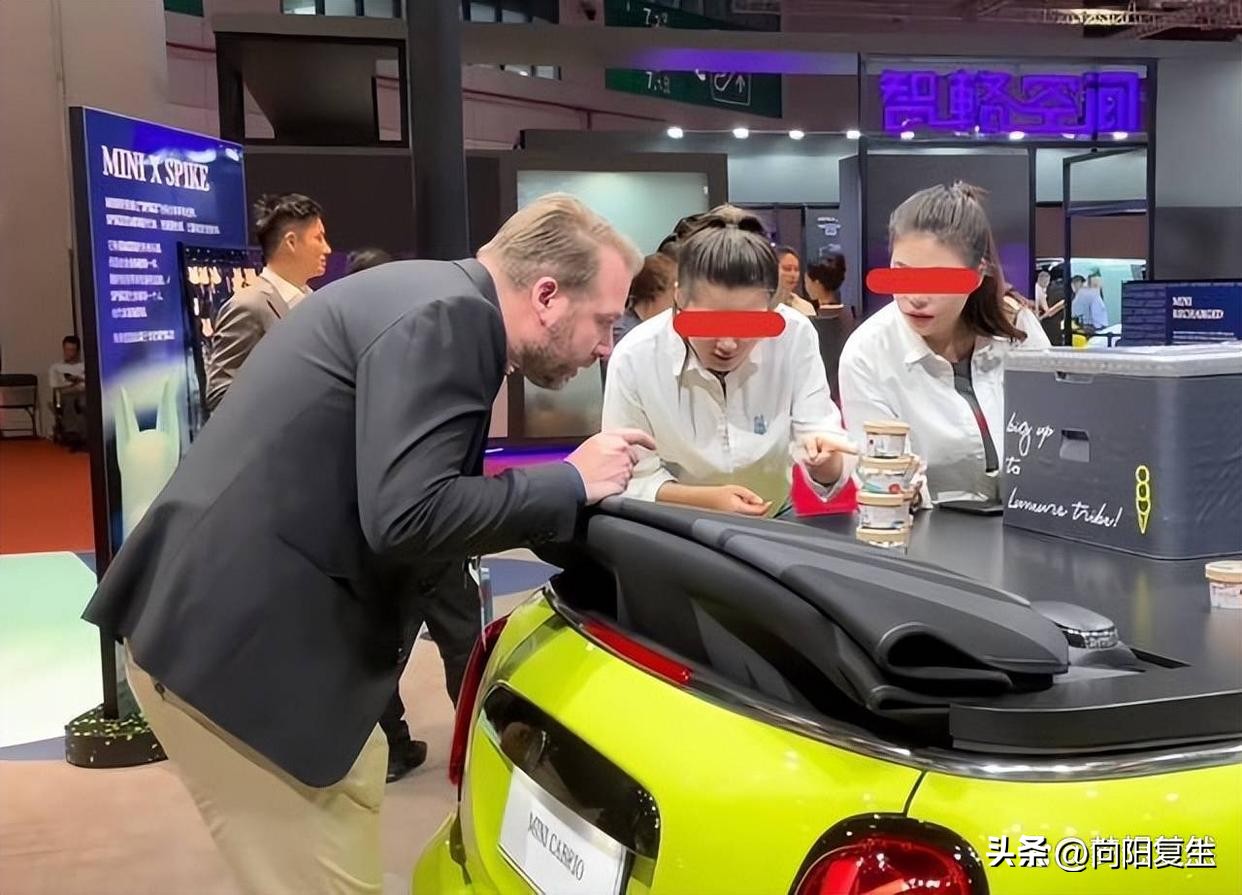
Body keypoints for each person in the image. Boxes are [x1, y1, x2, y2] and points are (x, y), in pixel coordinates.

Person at [81, 193, 653, 895]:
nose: (606, 346)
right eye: (603, 321)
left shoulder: (427, 295)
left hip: (239, 631)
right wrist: (569, 480)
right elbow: (409, 514)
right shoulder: (451, 320)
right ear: (546, 295)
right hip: (236, 658)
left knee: (356, 778)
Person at [602, 206, 856, 518]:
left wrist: (826, 461)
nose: (728, 344)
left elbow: (818, 431)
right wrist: (706, 501)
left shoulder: (793, 335)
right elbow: (630, 477)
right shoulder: (636, 356)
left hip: (774, 515)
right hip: (671, 525)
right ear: (679, 298)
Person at [838, 182, 1051, 505]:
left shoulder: (1017, 328)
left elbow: (1053, 437)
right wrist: (898, 488)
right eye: (901, 274)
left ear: (976, 275)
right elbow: (881, 477)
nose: (916, 296)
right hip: (926, 528)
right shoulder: (867, 353)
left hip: (1028, 519)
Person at [205, 193, 332, 412]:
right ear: (291, 242)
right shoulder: (248, 306)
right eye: (318, 238)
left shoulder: (315, 301)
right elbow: (219, 394)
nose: (327, 249)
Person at [612, 253, 676, 347]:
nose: (676, 302)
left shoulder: (653, 327)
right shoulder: (628, 335)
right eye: (673, 292)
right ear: (656, 294)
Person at [49, 335, 86, 448]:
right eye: (67, 350)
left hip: (84, 393)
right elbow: (56, 388)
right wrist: (74, 383)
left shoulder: (85, 366)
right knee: (71, 400)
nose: (69, 353)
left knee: (85, 401)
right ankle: (73, 434)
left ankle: (86, 435)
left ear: (77, 351)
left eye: (72, 350)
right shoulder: (56, 367)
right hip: (65, 394)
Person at [775, 245, 817, 316]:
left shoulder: (805, 307)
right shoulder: (761, 305)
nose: (793, 274)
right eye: (787, 269)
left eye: (796, 270)